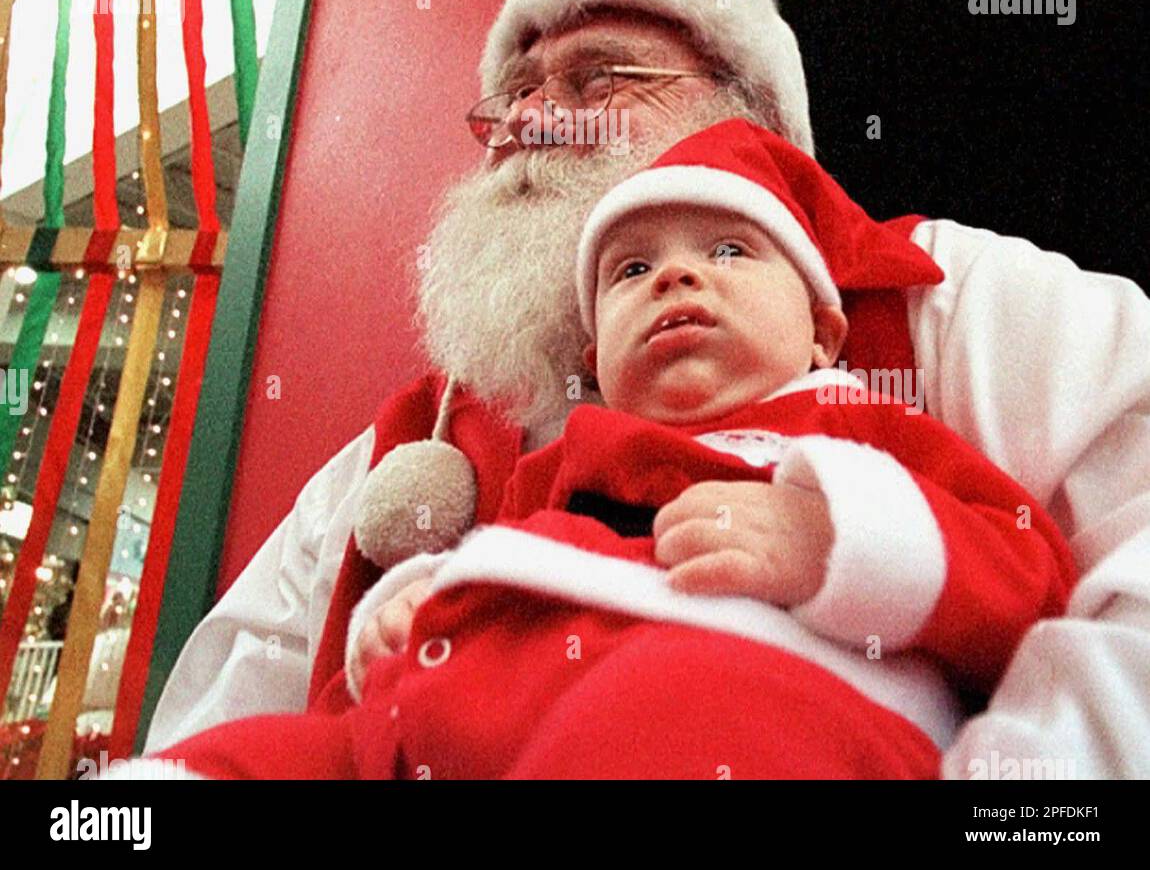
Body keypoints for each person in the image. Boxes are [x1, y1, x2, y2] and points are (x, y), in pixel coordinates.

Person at [140, 0, 1150, 779]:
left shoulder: (942, 292)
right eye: (516, 92)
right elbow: (232, 704)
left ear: (747, 122)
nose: (536, 116)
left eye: (596, 78)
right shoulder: (415, 444)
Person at [117, 120, 1076, 779]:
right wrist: (431, 611)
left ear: (824, 333)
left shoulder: (862, 422)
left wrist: (837, 545)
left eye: (730, 251)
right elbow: (531, 565)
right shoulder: (548, 455)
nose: (679, 275)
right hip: (487, 708)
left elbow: (1031, 569)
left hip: (748, 698)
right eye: (631, 269)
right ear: (595, 361)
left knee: (662, 712)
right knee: (281, 754)